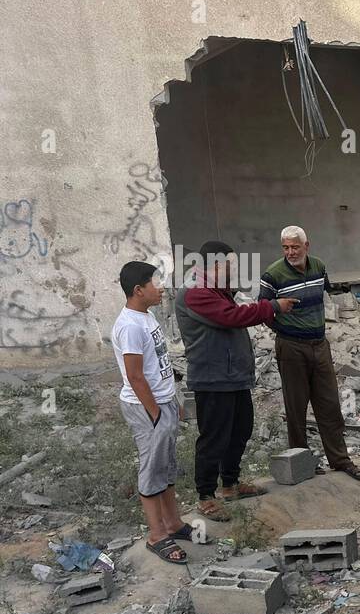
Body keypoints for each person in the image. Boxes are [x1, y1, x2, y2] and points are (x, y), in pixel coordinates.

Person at [176, 240, 296, 521]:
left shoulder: (217, 290)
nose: (234, 270)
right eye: (230, 265)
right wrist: (272, 307)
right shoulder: (195, 292)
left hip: (233, 376)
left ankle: (229, 484)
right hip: (212, 378)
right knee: (214, 439)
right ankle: (206, 495)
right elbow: (231, 317)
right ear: (215, 265)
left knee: (240, 431)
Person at [258, 225, 360, 480]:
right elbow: (263, 310)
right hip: (291, 346)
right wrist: (286, 330)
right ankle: (302, 462)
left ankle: (340, 460)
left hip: (319, 344)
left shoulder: (318, 266)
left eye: (295, 246)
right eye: (285, 247)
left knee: (329, 404)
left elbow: (324, 293)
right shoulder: (273, 274)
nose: (290, 252)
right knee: (296, 408)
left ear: (307, 245)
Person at [112, 262, 189, 565]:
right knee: (152, 468)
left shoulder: (147, 315)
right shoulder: (129, 325)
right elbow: (135, 376)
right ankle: (157, 535)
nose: (161, 289)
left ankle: (173, 523)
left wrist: (172, 401)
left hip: (162, 402)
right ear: (138, 290)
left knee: (166, 465)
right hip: (145, 407)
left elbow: (157, 365)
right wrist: (156, 412)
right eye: (155, 284)